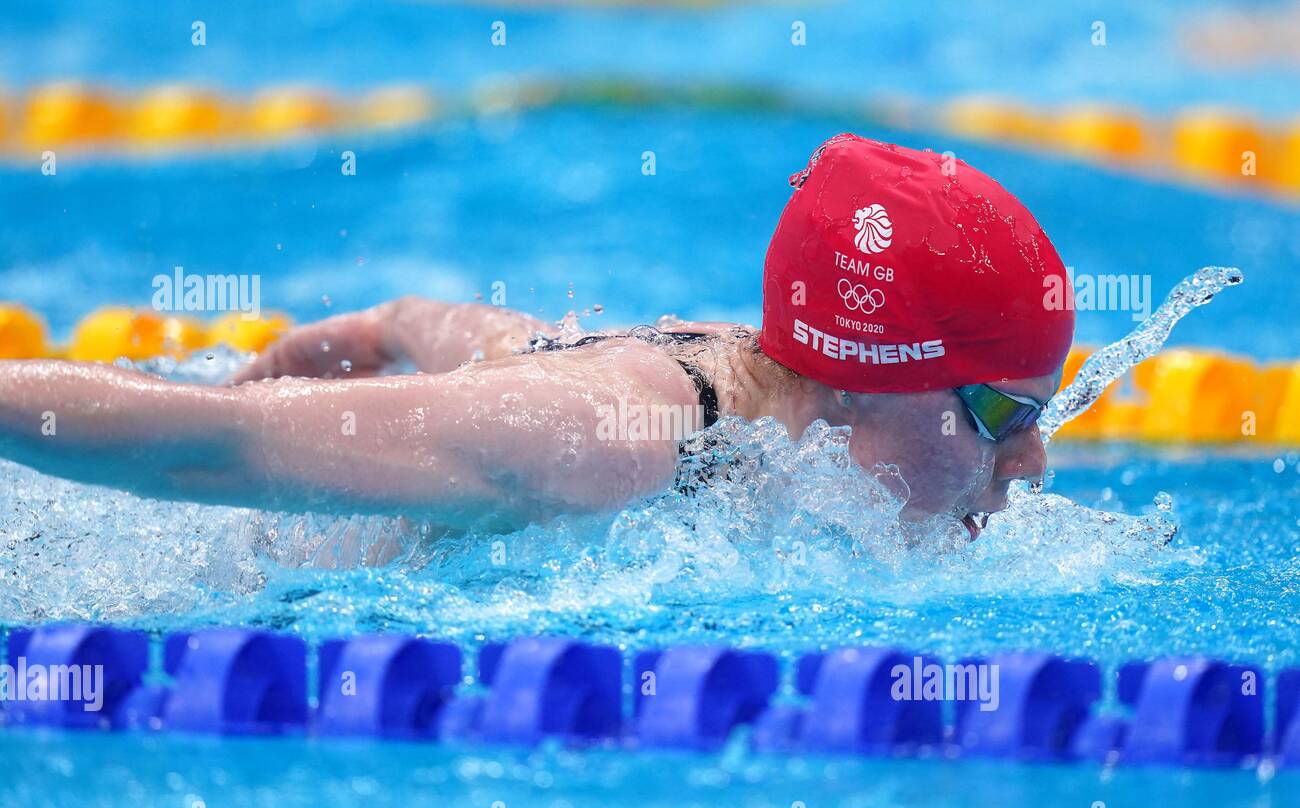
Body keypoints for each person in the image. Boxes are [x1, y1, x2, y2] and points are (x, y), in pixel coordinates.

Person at [0, 134, 1073, 539]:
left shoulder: (743, 392)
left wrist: (387, 326)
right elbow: (215, 440)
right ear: (854, 381)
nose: (1031, 462)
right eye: (996, 414)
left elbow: (491, 336)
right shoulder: (603, 445)